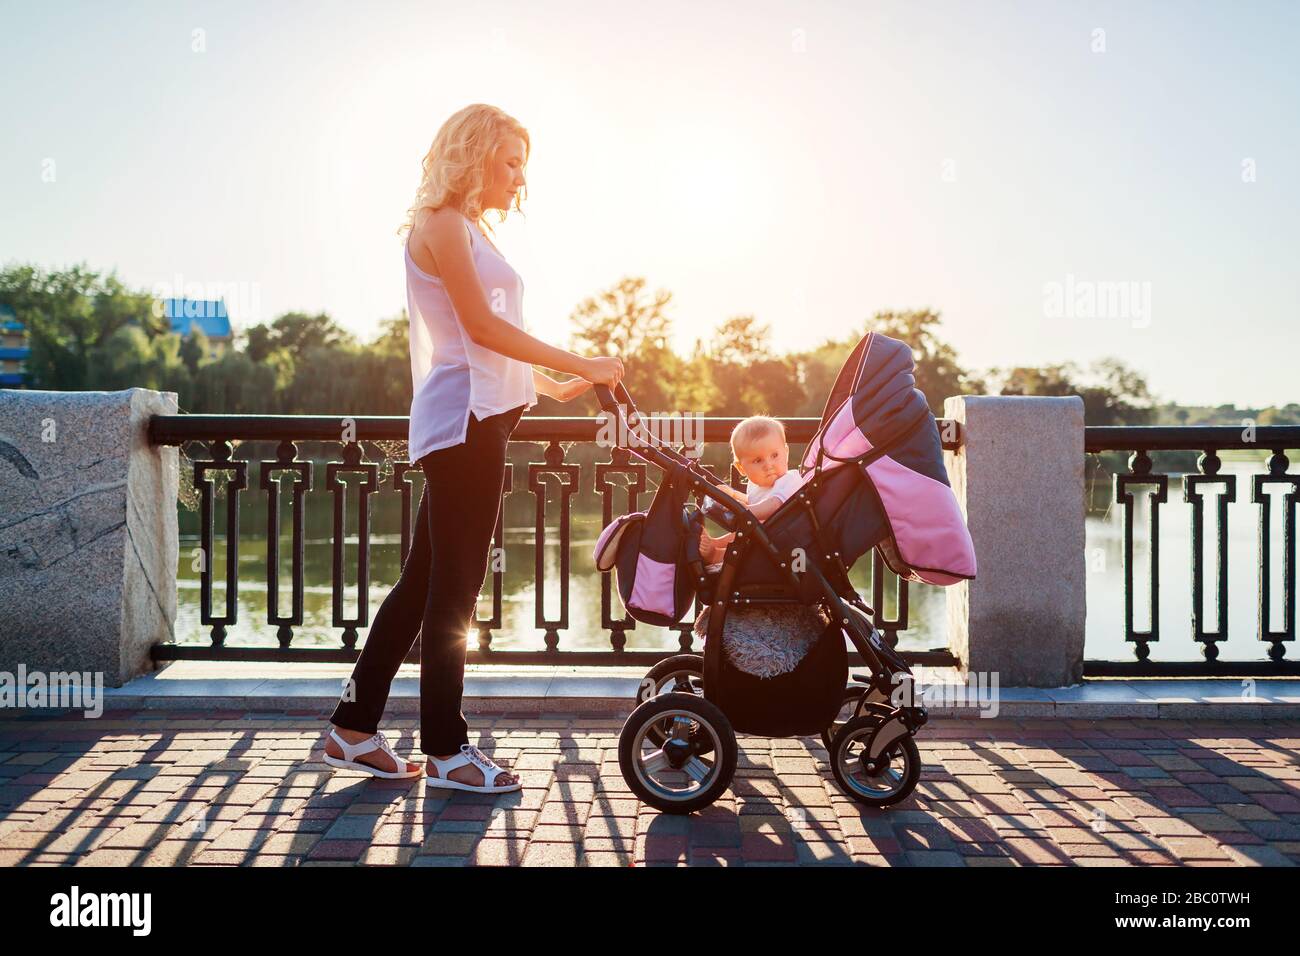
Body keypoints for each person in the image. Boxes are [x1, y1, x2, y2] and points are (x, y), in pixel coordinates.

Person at [322, 104, 624, 793]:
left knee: (422, 583)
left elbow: (484, 336)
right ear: (475, 153)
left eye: (524, 164)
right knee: (454, 590)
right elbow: (481, 328)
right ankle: (448, 751)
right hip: (463, 425)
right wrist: (587, 359)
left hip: (475, 419)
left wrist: (552, 383)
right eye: (511, 161)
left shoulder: (465, 229)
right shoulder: (444, 226)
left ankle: (353, 728)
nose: (520, 178)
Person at [698, 415, 803, 567]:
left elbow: (774, 504)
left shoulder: (790, 480)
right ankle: (716, 543)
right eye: (758, 460)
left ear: (786, 452)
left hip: (781, 541)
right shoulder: (757, 485)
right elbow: (755, 500)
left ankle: (717, 555)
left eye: (774, 455)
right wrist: (734, 496)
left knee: (746, 540)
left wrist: (744, 510)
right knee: (742, 534)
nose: (769, 465)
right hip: (762, 534)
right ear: (741, 468)